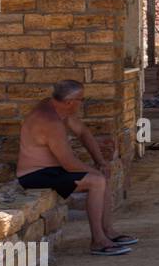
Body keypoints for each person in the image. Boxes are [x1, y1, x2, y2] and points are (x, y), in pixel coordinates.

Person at [16, 80, 136, 256]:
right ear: (70, 102)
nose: (83, 102)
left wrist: (101, 162)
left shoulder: (58, 108)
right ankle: (98, 241)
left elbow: (83, 132)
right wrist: (96, 171)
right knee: (97, 181)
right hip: (35, 174)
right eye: (82, 99)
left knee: (101, 176)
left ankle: (108, 231)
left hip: (52, 170)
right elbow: (69, 164)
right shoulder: (51, 122)